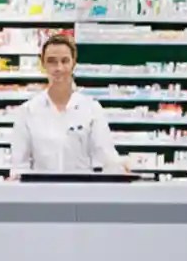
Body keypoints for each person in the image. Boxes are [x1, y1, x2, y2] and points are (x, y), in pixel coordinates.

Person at [10, 33, 125, 176]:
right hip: (40, 194)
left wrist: (121, 169)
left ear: (73, 63)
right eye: (52, 61)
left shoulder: (91, 109)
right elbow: (19, 165)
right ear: (43, 64)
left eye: (64, 61)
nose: (58, 68)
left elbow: (107, 159)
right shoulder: (28, 111)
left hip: (81, 194)